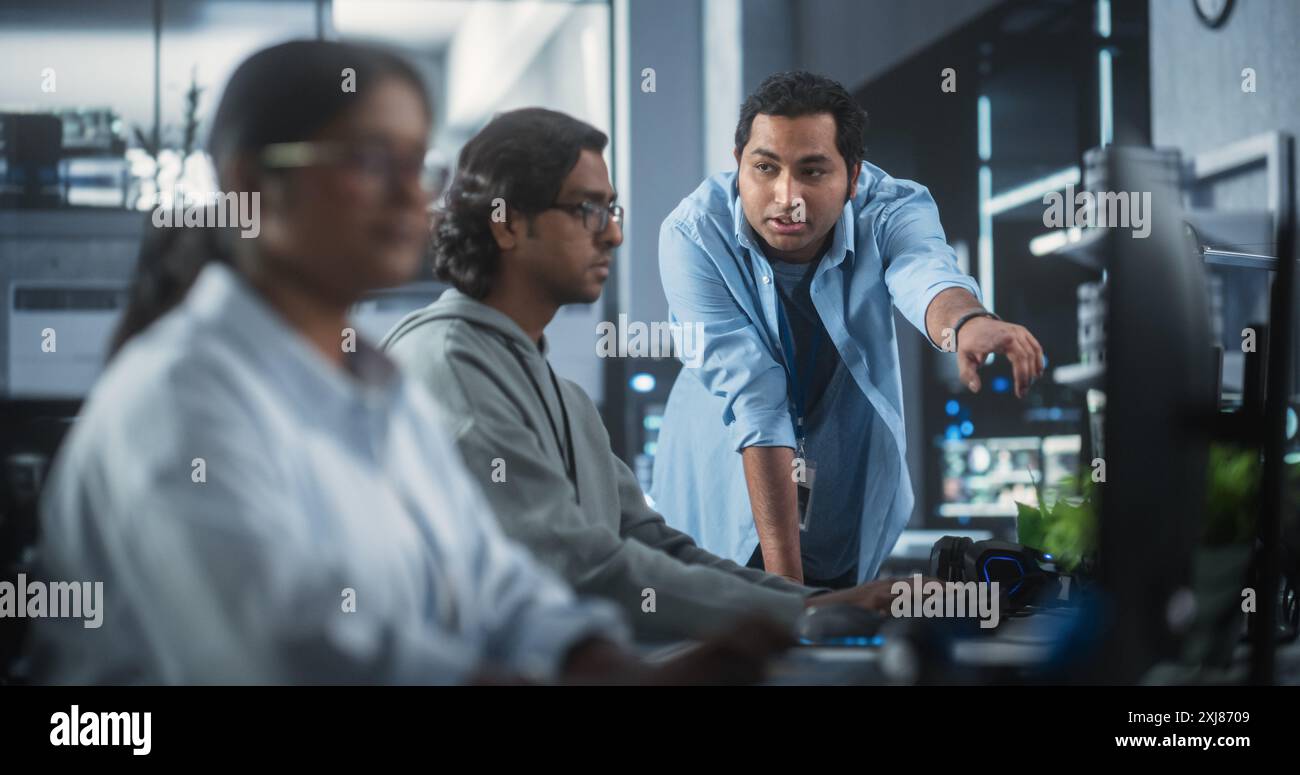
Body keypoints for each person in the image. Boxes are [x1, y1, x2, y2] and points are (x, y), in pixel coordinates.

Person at [27, 41, 788, 684]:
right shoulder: (180, 400)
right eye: (368, 159)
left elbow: (496, 585)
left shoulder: (373, 392)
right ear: (251, 184)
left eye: (416, 162)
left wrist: (615, 663)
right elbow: (298, 656)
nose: (412, 194)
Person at [382, 107, 910, 643]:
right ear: (507, 221)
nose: (612, 234)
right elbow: (578, 569)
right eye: (586, 210)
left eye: (611, 209)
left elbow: (652, 545)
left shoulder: (564, 399)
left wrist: (821, 602)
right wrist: (802, 617)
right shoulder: (449, 362)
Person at [650, 71, 1045, 587]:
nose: (785, 196)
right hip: (727, 486)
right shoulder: (695, 234)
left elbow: (923, 270)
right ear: (739, 163)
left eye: (812, 172)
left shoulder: (890, 206)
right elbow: (754, 398)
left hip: (838, 495)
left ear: (853, 177)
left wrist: (965, 322)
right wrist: (790, 600)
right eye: (764, 168)